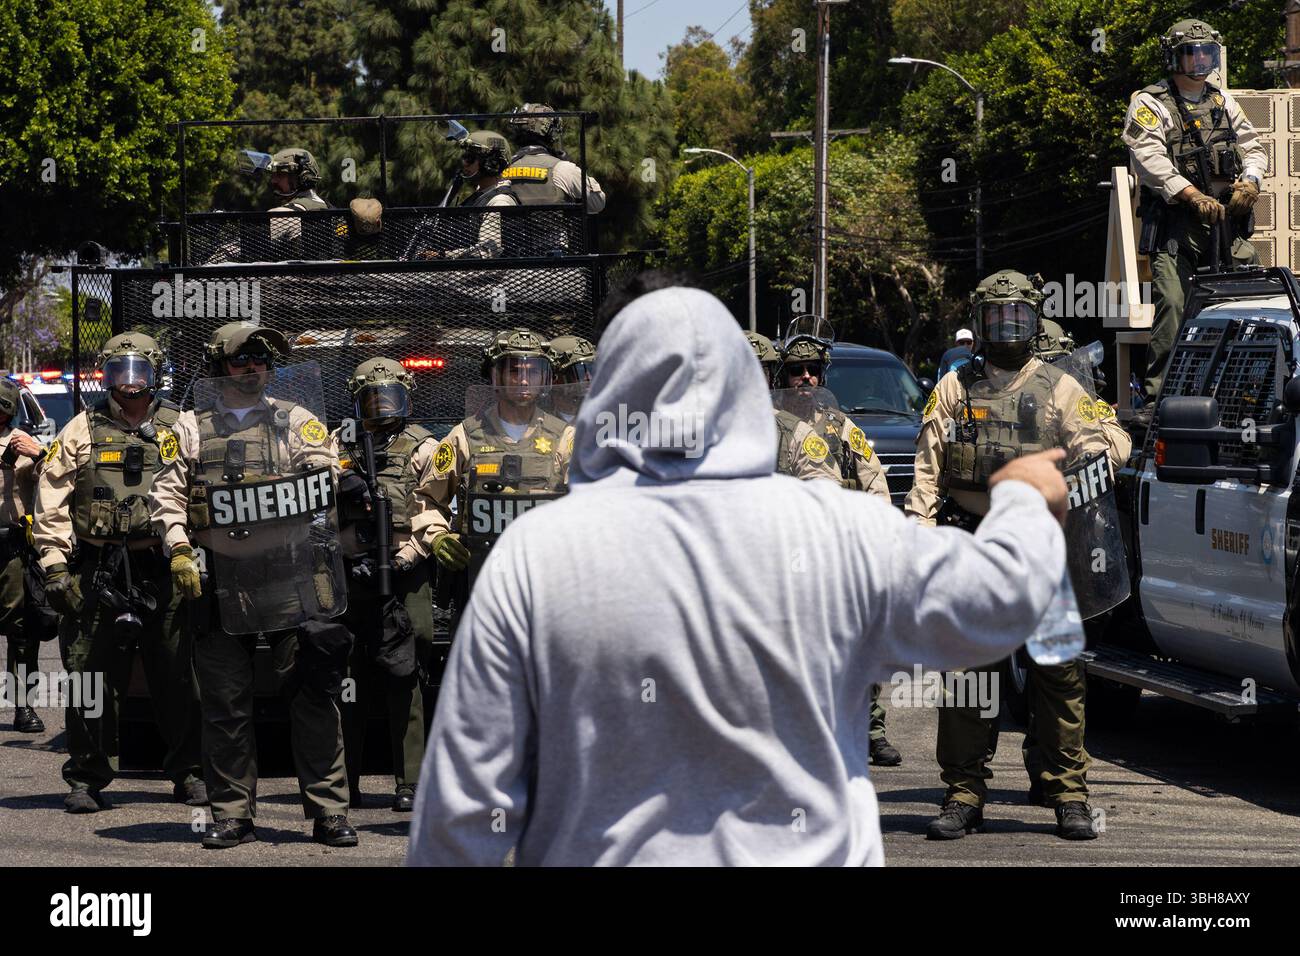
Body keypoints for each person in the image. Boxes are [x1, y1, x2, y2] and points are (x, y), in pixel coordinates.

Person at [408, 272, 1071, 867]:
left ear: (611, 390)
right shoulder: (839, 532)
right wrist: (1021, 493)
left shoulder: (535, 555)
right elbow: (1002, 599)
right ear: (747, 391)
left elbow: (461, 817)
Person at [904, 269, 1132, 842]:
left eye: (1017, 317)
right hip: (973, 543)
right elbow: (928, 473)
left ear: (1033, 322)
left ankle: (1068, 794)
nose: (1006, 328)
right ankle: (963, 793)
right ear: (977, 326)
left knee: (1059, 674)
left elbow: (1112, 437)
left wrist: (1095, 457)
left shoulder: (1059, 387)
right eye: (995, 318)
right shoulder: (954, 388)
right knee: (966, 678)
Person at [148, 321, 357, 849]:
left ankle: (329, 811)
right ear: (220, 366)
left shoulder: (296, 420)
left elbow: (323, 474)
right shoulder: (190, 429)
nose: (252, 369)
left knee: (313, 696)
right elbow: (167, 496)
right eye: (241, 360)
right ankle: (232, 814)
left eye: (261, 361)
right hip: (219, 584)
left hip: (289, 575)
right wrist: (176, 547)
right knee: (224, 705)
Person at [34, 333, 204, 813]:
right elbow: (51, 501)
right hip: (97, 569)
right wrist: (54, 567)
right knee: (88, 675)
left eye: (140, 371)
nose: (130, 383)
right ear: (105, 375)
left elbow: (204, 486)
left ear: (156, 374)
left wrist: (192, 551)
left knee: (176, 674)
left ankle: (190, 773)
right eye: (119, 371)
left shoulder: (182, 426)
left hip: (163, 566)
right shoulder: (81, 429)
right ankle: (86, 776)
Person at [1123, 18, 1267, 411]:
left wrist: (1250, 183)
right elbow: (1147, 156)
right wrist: (1188, 193)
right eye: (1192, 53)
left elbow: (1255, 148)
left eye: (1207, 53)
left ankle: (1251, 390)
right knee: (1171, 304)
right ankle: (1157, 399)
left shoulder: (1223, 102)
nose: (1200, 61)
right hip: (1177, 228)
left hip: (1223, 226)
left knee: (1255, 291)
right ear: (1174, 57)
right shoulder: (1151, 103)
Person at [771, 329, 898, 766]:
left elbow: (873, 479)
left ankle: (871, 728)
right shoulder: (768, 425)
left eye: (812, 371)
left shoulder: (841, 426)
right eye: (795, 371)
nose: (804, 378)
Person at [332, 358, 439, 813]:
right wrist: (344, 476)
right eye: (372, 399)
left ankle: (409, 782)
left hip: (403, 568)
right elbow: (311, 472)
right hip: (349, 569)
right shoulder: (340, 441)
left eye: (390, 397)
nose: (382, 407)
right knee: (345, 677)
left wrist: (405, 558)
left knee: (405, 670)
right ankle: (344, 785)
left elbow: (438, 509)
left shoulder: (424, 447)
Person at [424, 329, 574, 594]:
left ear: (545, 379)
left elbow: (586, 502)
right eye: (515, 371)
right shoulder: (464, 435)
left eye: (534, 371)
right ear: (496, 377)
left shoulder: (564, 436)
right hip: (480, 577)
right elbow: (428, 498)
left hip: (543, 578)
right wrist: (439, 537)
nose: (524, 380)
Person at [0, 380, 45, 733]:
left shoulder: (22, 444)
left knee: (21, 631)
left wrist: (40, 455)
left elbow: (61, 480)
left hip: (12, 547)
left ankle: (24, 705)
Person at [420, 131, 521, 260]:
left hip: (493, 277)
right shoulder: (481, 196)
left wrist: (443, 255)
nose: (464, 163)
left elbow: (487, 253)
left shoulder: (499, 201)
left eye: (470, 159)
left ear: (491, 163)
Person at [505, 104, 606, 213]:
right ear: (550, 133)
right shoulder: (563, 169)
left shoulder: (500, 170)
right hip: (554, 230)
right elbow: (597, 203)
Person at [544, 334, 595, 422]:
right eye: (580, 370)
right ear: (554, 377)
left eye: (592, 369)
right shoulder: (537, 416)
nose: (589, 377)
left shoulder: (604, 414)